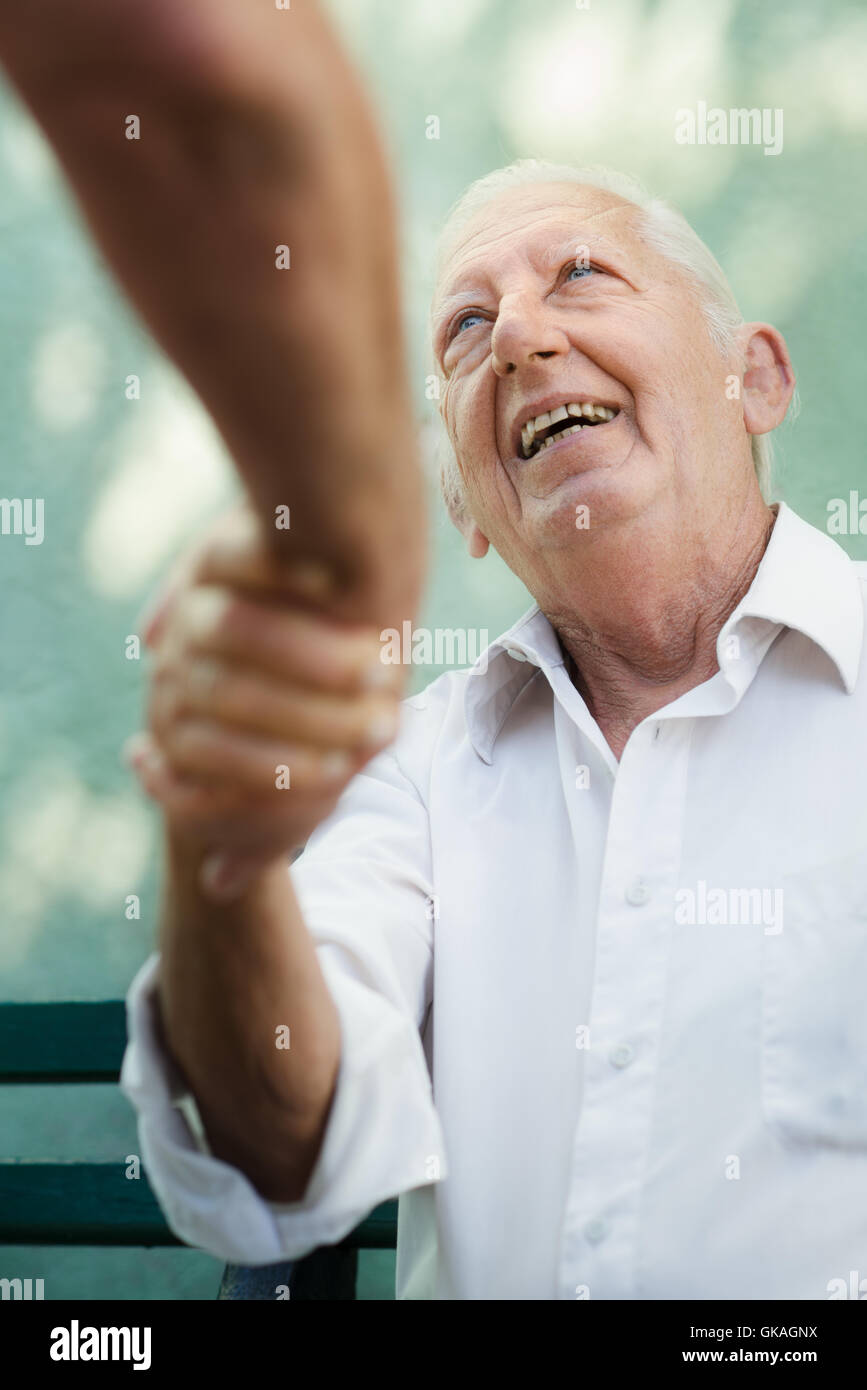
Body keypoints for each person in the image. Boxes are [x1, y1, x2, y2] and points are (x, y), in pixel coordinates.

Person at [3, 5, 865, 1301]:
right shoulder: (412, 769)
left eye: (580, 275)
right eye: (465, 329)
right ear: (465, 510)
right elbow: (275, 1154)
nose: (519, 337)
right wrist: (220, 848)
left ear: (755, 378)